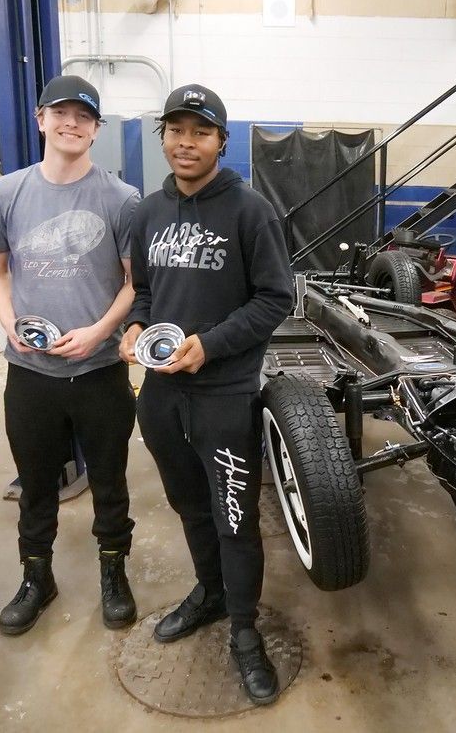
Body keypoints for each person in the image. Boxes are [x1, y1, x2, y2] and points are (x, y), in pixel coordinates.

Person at [121, 84, 294, 705]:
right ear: (162, 136)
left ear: (222, 140)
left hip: (223, 394)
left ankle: (245, 632)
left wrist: (212, 344)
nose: (185, 143)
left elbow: (277, 298)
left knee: (234, 518)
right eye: (176, 130)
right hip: (161, 394)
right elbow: (144, 289)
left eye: (200, 132)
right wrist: (136, 326)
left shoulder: (250, 212)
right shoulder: (148, 212)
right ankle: (209, 593)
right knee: (190, 506)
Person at [0, 75, 141, 635]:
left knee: (110, 477)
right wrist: (9, 325)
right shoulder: (6, 193)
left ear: (96, 129)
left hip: (98, 373)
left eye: (84, 116)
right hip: (31, 373)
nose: (72, 123)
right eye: (61, 113)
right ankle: (36, 576)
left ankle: (113, 570)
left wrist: (100, 332)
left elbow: (132, 284)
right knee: (36, 481)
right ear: (40, 118)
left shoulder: (122, 199)